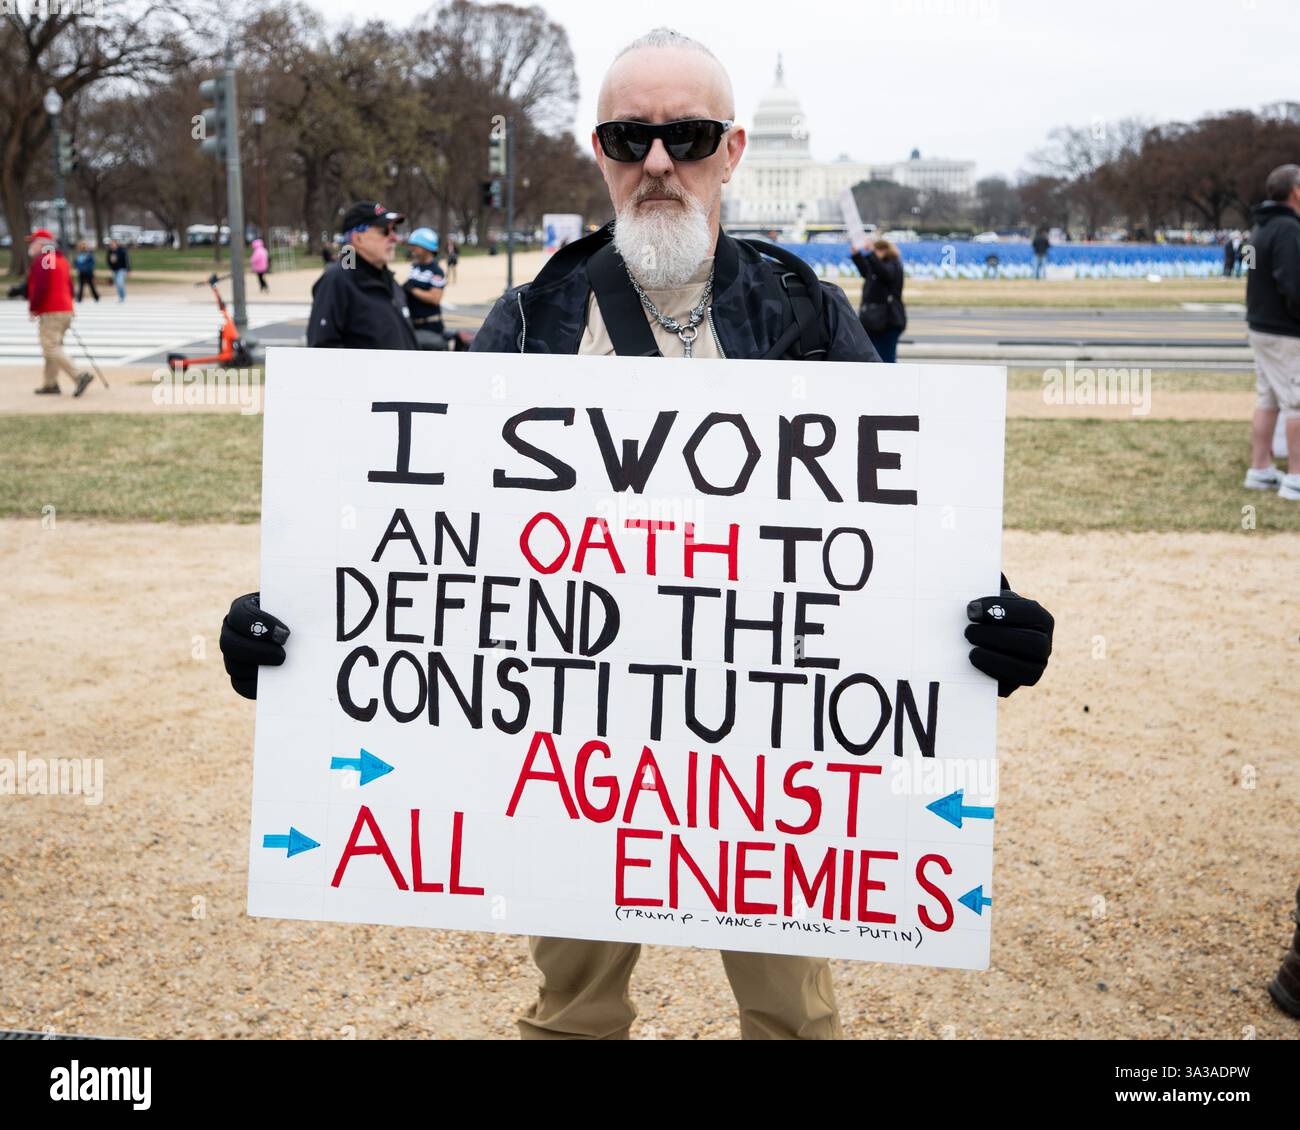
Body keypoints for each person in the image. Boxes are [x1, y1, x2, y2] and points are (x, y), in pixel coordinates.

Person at [220, 29, 1056, 1041]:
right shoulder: (531, 320)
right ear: (601, 151)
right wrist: (296, 625)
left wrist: (985, 611)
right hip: (575, 733)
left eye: (689, 136)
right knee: (573, 1010)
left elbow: (902, 508)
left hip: (766, 746)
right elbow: (433, 530)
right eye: (630, 137)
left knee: (793, 1014)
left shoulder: (800, 309)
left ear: (735, 149)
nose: (659, 163)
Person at [1242, 163, 1300, 500]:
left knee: (1268, 399)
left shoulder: (1260, 227)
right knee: (1296, 402)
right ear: (1295, 191)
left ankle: (1260, 468)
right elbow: (1293, 285)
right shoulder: (1288, 230)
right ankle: (1296, 476)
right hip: (1283, 329)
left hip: (1261, 324)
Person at [306, 201, 417, 350]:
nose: (394, 238)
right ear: (358, 239)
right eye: (384, 231)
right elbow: (322, 348)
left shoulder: (388, 280)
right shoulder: (338, 280)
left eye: (394, 230)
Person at [25, 230, 93, 397]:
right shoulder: (60, 259)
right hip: (64, 309)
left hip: (52, 310)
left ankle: (78, 376)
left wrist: (34, 307)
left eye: (33, 242)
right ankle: (50, 383)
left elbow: (42, 286)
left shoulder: (46, 259)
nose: (31, 246)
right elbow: (69, 286)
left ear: (41, 244)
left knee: (50, 347)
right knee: (54, 347)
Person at [850, 237, 907, 362]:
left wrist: (871, 253)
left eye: (878, 250)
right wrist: (857, 255)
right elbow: (865, 270)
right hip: (873, 320)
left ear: (886, 250)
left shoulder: (893, 265)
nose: (876, 252)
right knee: (874, 358)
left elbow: (884, 273)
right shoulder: (877, 267)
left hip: (888, 321)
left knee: (886, 358)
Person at [403, 227, 447, 347]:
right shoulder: (415, 267)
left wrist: (413, 290)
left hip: (430, 328)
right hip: (413, 325)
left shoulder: (436, 271)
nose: (412, 249)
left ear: (427, 248)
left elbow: (435, 298)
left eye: (416, 246)